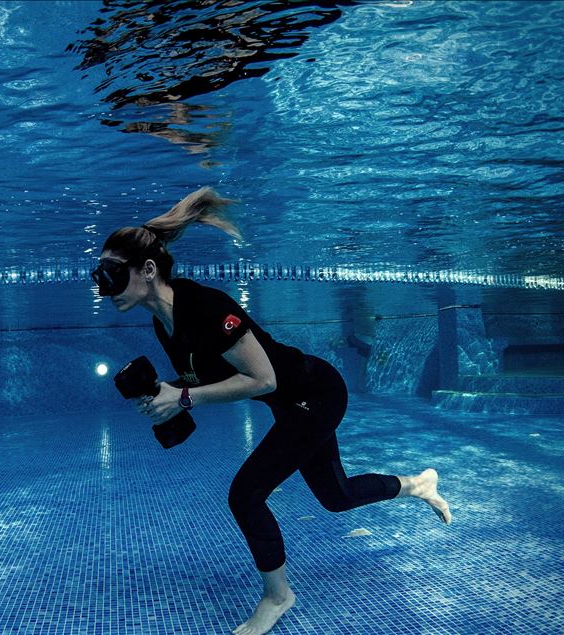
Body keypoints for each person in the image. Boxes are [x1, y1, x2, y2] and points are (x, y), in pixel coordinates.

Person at [93, 187, 452, 635]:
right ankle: (416, 484)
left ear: (147, 269)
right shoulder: (163, 321)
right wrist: (172, 394)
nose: (103, 288)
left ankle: (278, 595)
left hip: (315, 392)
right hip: (294, 401)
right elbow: (205, 375)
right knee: (336, 497)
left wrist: (185, 398)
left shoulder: (207, 307)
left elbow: (264, 380)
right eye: (99, 276)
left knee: (245, 495)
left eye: (110, 274)